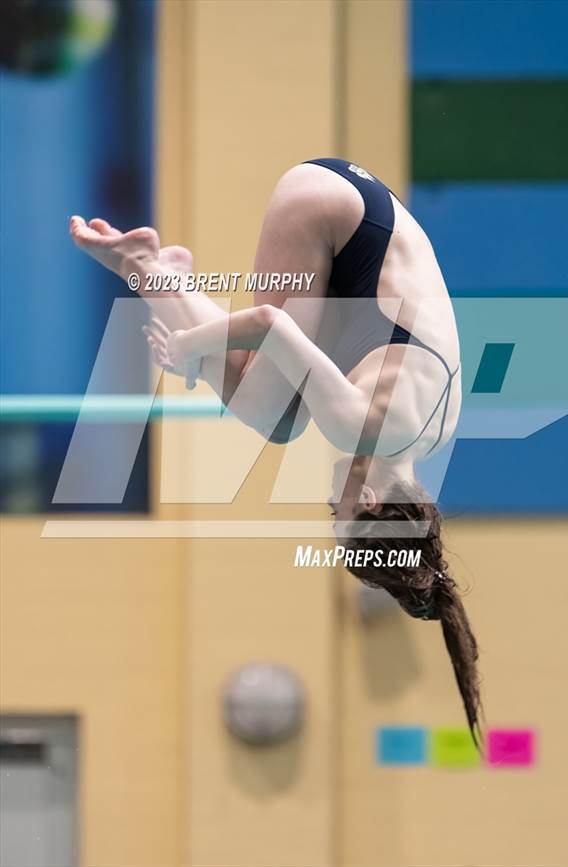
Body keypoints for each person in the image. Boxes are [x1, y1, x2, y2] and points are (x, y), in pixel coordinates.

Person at [70, 157, 481, 744]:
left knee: (281, 413)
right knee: (269, 411)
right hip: (330, 209)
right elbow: (266, 323)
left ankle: (161, 274)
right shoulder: (360, 427)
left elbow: (285, 348)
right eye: (336, 514)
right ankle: (151, 271)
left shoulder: (429, 435)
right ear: (365, 500)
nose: (328, 501)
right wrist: (186, 349)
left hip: (365, 212)